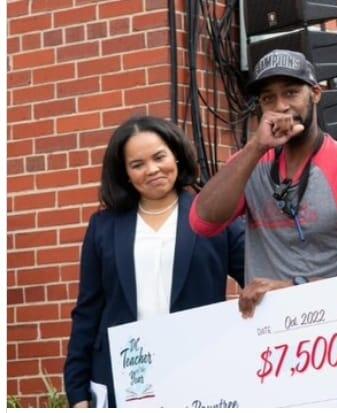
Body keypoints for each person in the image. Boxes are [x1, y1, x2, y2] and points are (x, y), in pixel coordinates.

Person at [189, 49, 337, 388]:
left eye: (291, 92)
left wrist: (293, 290)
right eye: (268, 98)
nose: (281, 106)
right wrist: (256, 147)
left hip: (332, 342)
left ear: (316, 94)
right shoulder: (254, 165)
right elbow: (202, 221)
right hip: (265, 340)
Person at [63, 116, 245, 407]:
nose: (152, 170)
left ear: (176, 154)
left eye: (159, 157)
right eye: (137, 165)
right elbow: (88, 310)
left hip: (199, 372)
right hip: (125, 377)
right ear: (125, 173)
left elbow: (260, 280)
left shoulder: (213, 215)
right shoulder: (103, 227)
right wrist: (77, 392)